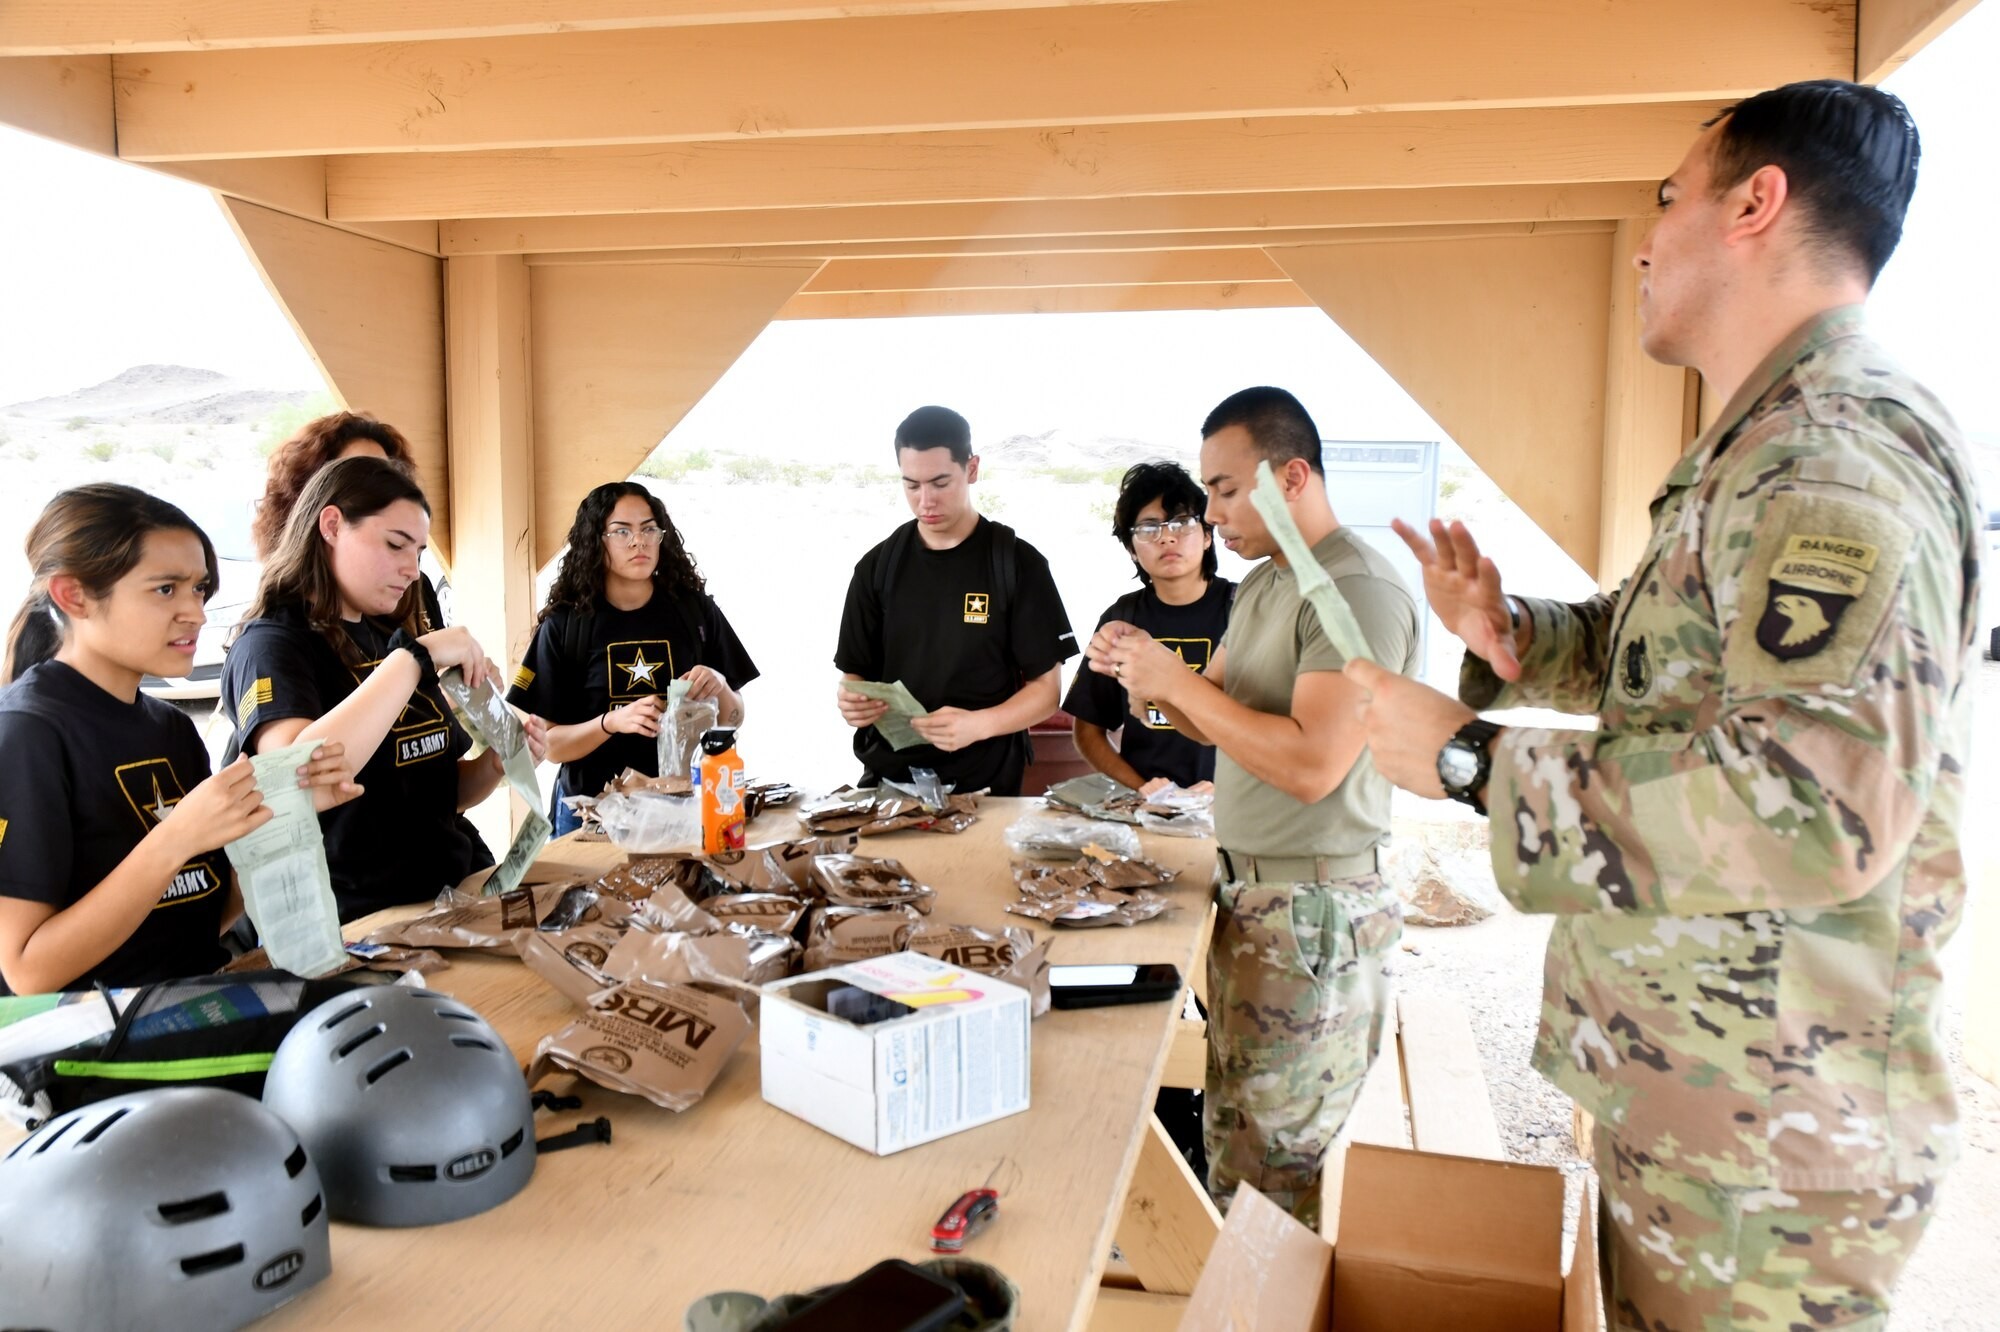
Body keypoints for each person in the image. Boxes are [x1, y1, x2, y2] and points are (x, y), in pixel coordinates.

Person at [1346, 81, 1972, 1329]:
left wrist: (1471, 763)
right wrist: (1514, 636)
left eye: (1666, 199)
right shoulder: (1759, 447)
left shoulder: (1832, 453)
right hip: (1711, 1100)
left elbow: (1814, 808)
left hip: (1775, 1136)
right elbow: (1675, 667)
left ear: (1755, 202)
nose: (1644, 238)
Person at [1090, 387, 1419, 1228]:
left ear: (1294, 476)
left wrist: (1172, 683)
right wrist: (1141, 666)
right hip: (1252, 899)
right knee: (1237, 1148)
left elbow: (1312, 764)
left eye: (1227, 490)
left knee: (1276, 1180)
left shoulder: (1356, 592)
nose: (1210, 514)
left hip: (1314, 913)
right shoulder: (1272, 584)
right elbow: (1211, 704)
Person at [0, 485, 358, 994]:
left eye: (199, 589)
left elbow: (193, 919)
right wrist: (176, 838)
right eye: (166, 589)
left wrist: (283, 813)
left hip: (198, 1002)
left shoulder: (170, 728)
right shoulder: (27, 733)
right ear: (73, 595)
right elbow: (27, 972)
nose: (195, 612)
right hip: (94, 1050)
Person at [221, 457, 521, 924]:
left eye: (419, 552)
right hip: (358, 921)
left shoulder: (386, 634)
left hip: (453, 893)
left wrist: (496, 763)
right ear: (332, 525)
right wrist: (415, 658)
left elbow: (433, 794)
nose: (411, 570)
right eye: (396, 545)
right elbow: (300, 778)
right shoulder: (272, 645)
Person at [835, 405, 1077, 797]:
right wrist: (853, 702)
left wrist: (977, 725)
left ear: (972, 469)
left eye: (940, 482)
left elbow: (1047, 692)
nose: (925, 501)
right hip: (891, 781)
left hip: (987, 783)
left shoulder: (1018, 564)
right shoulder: (876, 567)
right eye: (911, 485)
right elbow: (855, 675)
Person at [507, 482, 758, 836]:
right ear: (596, 540)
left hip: (684, 806)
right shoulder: (566, 625)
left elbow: (733, 718)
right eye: (621, 531)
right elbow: (551, 747)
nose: (638, 541)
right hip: (592, 812)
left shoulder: (695, 610)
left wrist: (720, 686)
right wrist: (612, 722)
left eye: (648, 529)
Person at [1065, 460, 1234, 794]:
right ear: (1131, 549)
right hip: (1148, 810)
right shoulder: (1121, 620)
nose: (1167, 539)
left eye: (1182, 523)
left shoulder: (1245, 609)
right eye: (1148, 528)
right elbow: (1088, 730)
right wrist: (1144, 790)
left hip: (1231, 810)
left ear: (1206, 536)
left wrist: (1231, 791)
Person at [253, 410, 446, 629]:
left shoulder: (415, 589)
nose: (382, 493)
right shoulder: (280, 635)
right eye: (357, 477)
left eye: (387, 477)